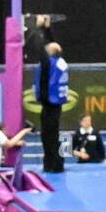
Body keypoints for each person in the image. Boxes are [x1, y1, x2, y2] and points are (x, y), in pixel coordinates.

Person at [37, 30, 69, 174]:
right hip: (55, 103)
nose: (46, 49)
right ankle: (55, 164)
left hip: (50, 102)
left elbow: (42, 49)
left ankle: (53, 165)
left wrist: (40, 29)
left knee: (48, 136)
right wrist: (48, 29)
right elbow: (53, 46)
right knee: (52, 135)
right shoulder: (60, 61)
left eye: (48, 49)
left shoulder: (49, 63)